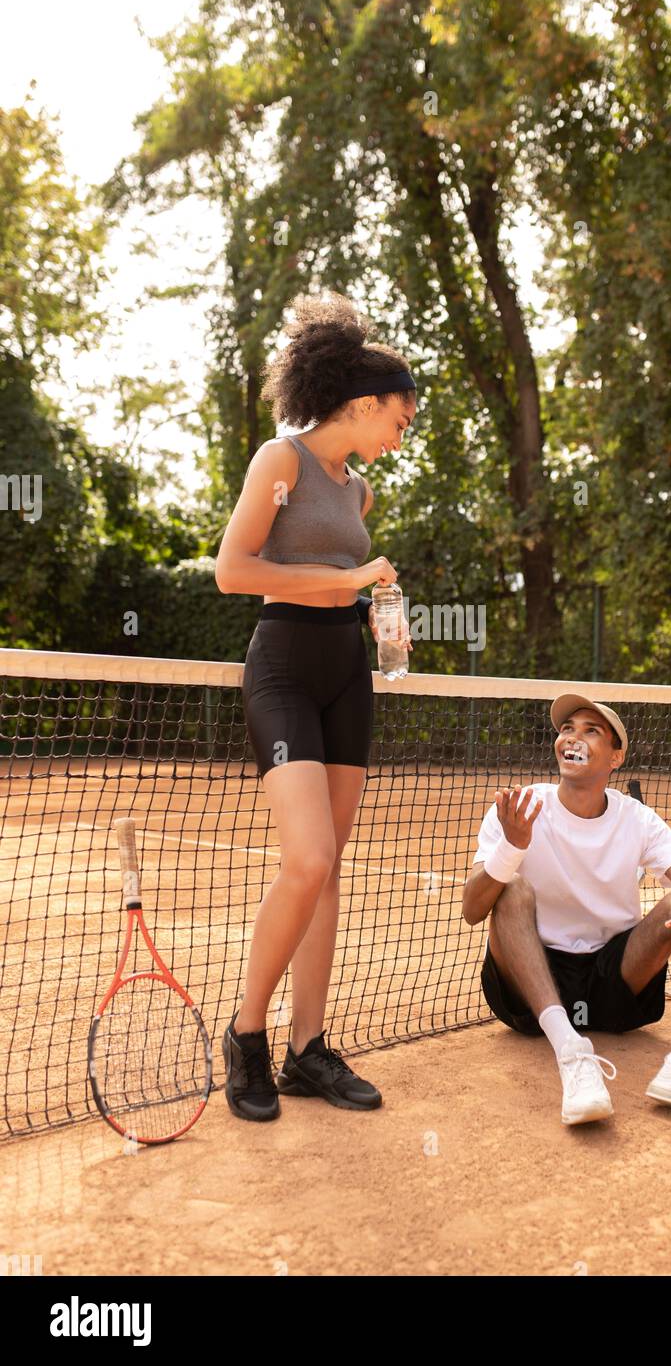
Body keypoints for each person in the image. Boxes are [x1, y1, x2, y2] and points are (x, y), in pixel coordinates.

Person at [215, 291, 416, 1121]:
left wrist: (380, 610)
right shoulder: (281, 459)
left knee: (329, 869)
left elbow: (348, 587)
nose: (401, 435)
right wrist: (341, 581)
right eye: (400, 420)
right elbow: (233, 570)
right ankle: (246, 1036)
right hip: (284, 671)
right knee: (305, 861)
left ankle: (308, 1050)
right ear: (364, 404)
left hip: (347, 673)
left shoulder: (358, 493)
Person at [461, 693, 671, 1126]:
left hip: (614, 980)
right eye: (567, 728)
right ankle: (572, 1052)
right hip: (532, 984)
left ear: (616, 757)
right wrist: (512, 846)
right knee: (510, 889)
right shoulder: (521, 807)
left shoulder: (637, 819)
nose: (573, 737)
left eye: (591, 731)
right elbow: (474, 909)